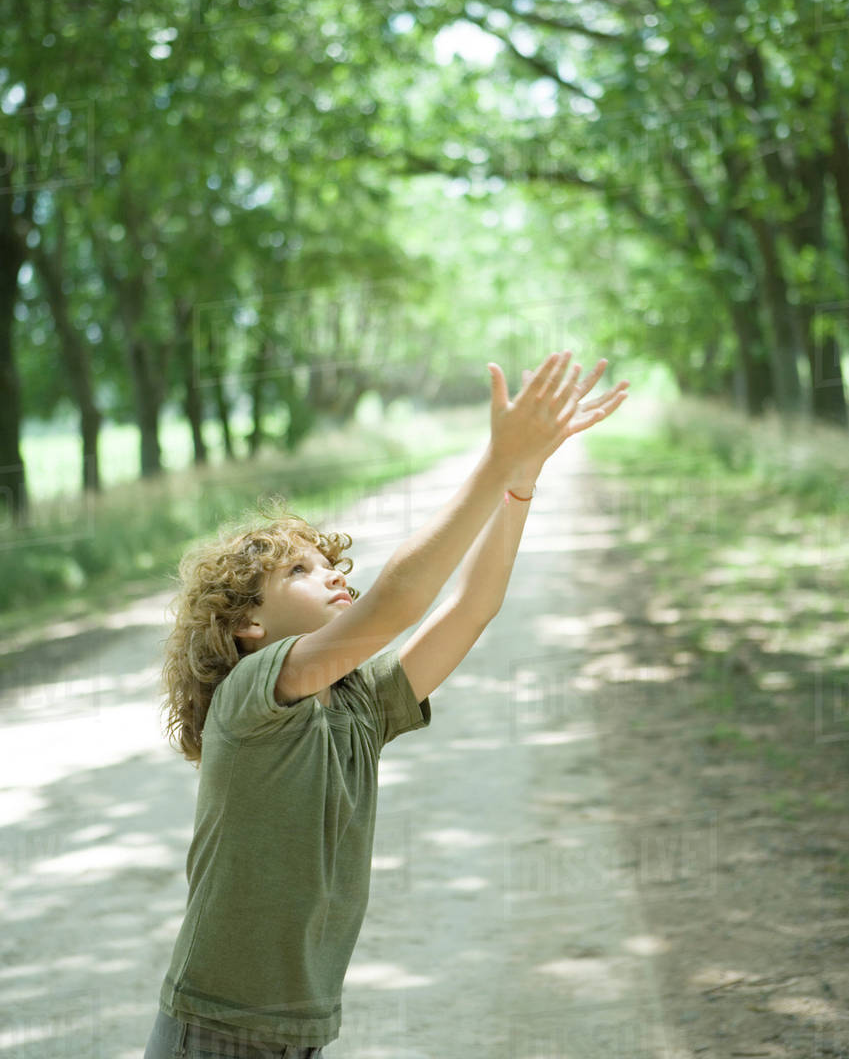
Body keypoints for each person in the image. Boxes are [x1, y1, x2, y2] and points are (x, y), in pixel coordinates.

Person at [142, 349, 629, 1058]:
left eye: (331, 564)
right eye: (300, 570)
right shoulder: (250, 696)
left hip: (297, 1022)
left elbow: (471, 608)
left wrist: (519, 485)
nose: (335, 578)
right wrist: (492, 464)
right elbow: (395, 603)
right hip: (214, 1024)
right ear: (248, 624)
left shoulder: (353, 706)